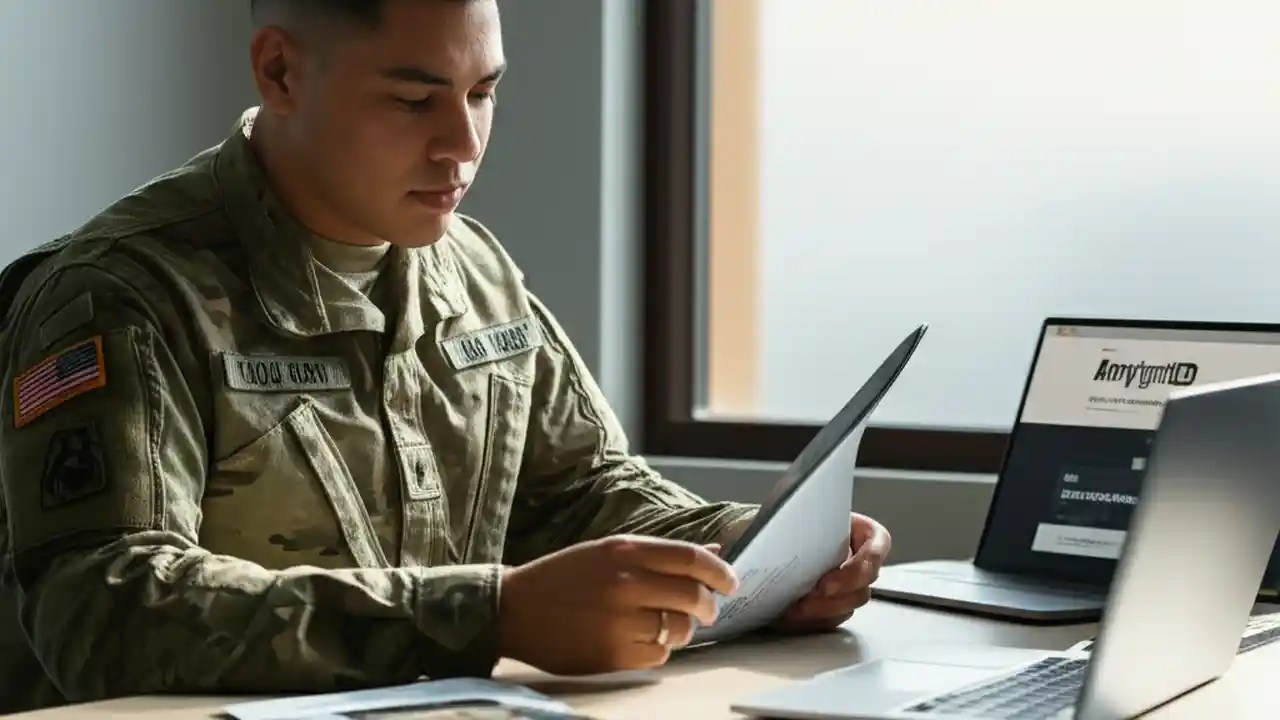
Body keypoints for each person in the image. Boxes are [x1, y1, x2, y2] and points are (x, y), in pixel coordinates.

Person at [0, 0, 892, 713]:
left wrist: (750, 553)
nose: (462, 145)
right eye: (412, 99)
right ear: (279, 70)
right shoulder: (121, 295)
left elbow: (579, 493)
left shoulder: (473, 268)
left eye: (484, 92)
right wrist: (492, 613)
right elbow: (105, 607)